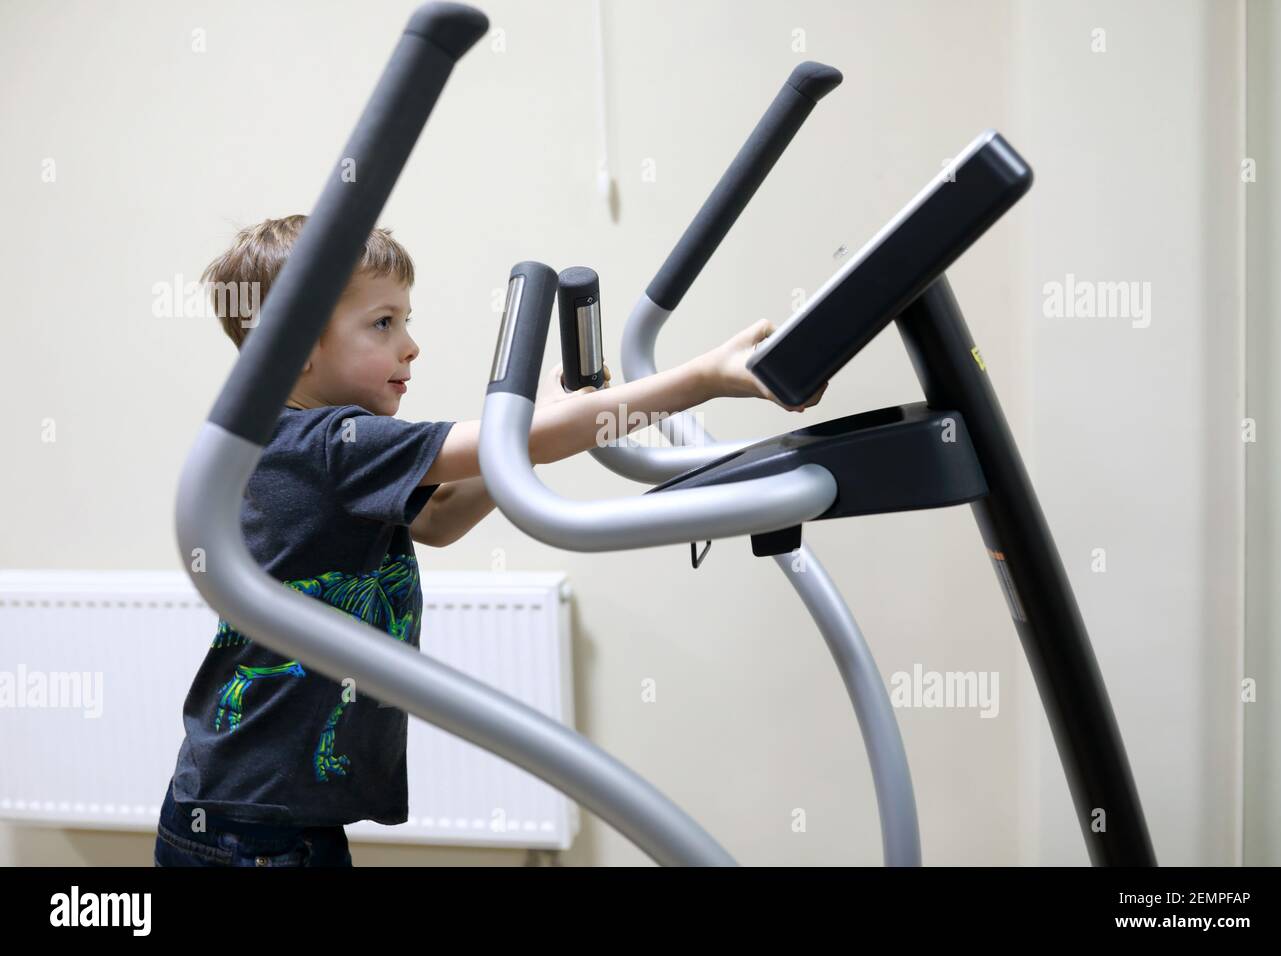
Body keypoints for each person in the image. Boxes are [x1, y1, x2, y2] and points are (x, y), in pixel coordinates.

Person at [155, 214, 827, 866]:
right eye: (383, 323)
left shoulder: (312, 445)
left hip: (267, 813)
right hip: (250, 832)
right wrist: (703, 380)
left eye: (406, 321)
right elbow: (508, 444)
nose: (410, 345)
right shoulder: (329, 444)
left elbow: (440, 519)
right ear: (297, 347)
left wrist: (545, 418)